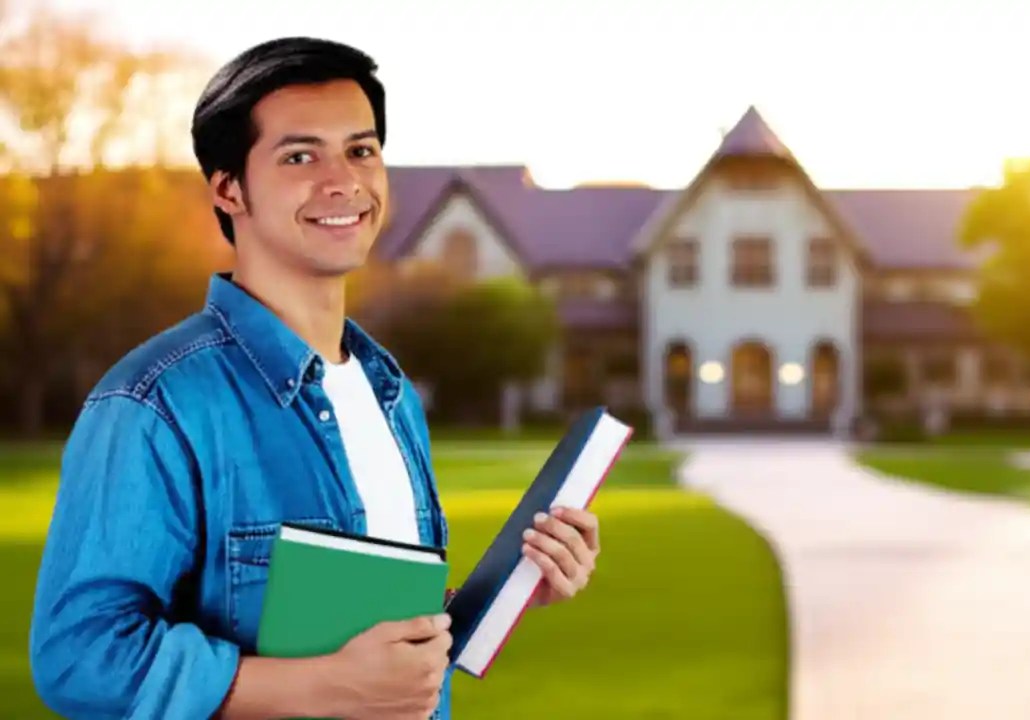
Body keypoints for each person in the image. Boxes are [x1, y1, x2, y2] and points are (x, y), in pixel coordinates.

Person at [28, 36, 602, 720]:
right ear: (227, 187)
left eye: (361, 150)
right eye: (301, 156)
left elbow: (384, 635)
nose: (344, 181)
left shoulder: (390, 393)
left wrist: (508, 592)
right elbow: (80, 657)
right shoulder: (156, 403)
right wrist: (324, 686)